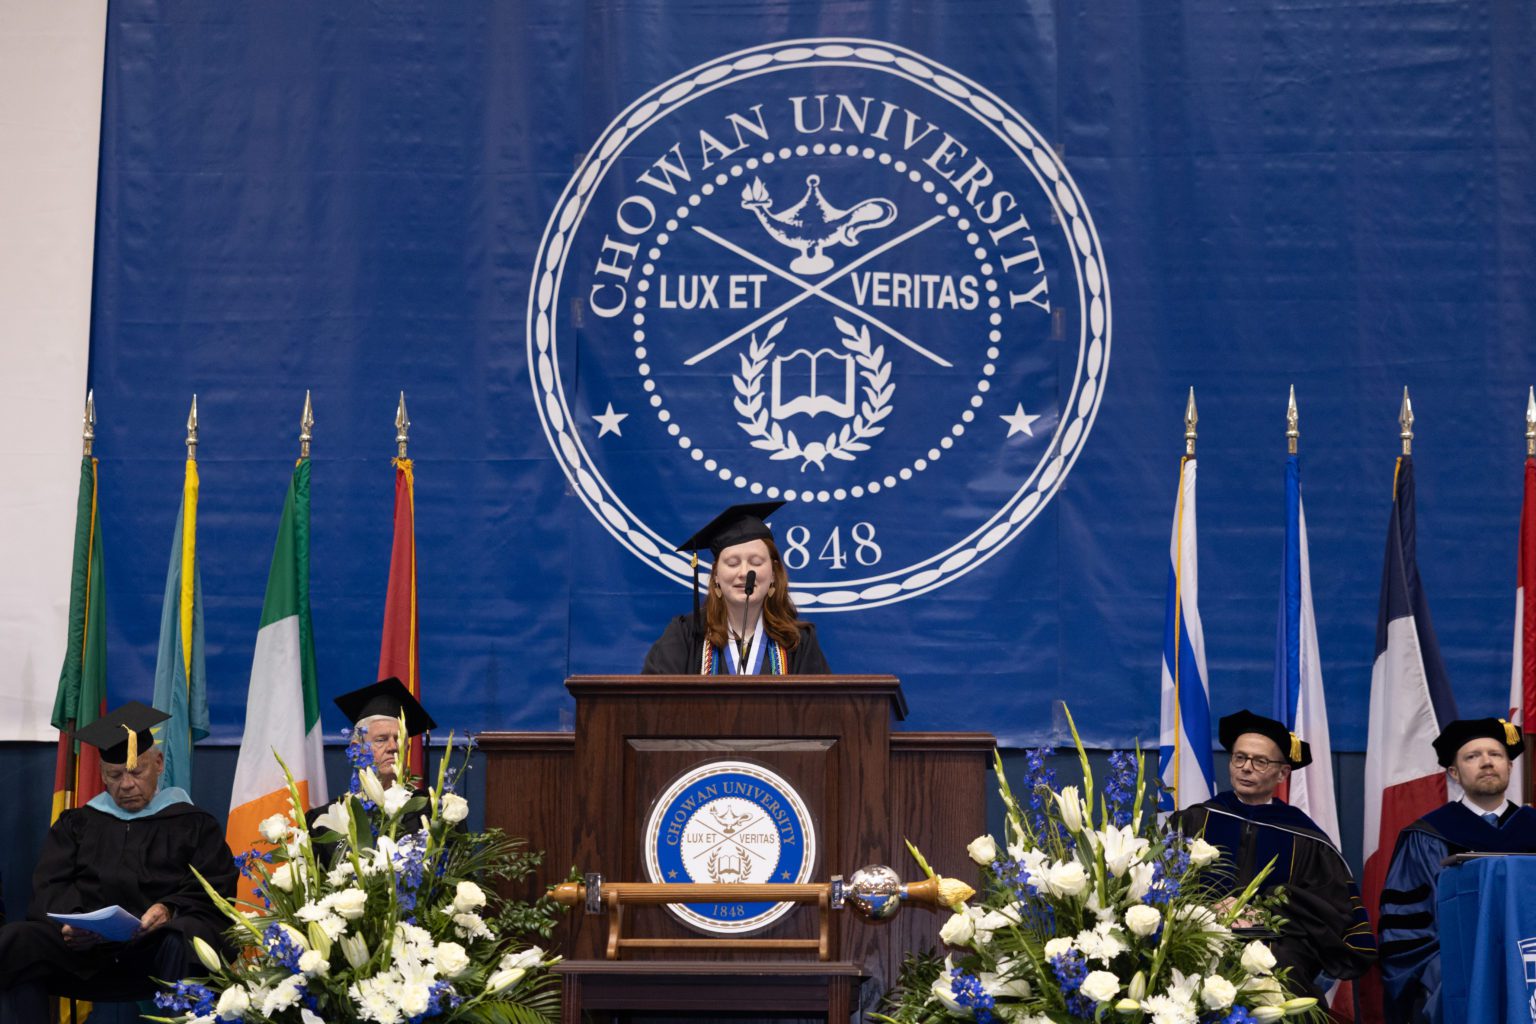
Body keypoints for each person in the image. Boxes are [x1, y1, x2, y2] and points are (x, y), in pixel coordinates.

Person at [0, 702, 237, 1017]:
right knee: (17, 940)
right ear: (102, 774)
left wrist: (170, 909)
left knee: (185, 936)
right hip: (84, 955)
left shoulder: (193, 824)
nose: (126, 784)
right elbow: (50, 886)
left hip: (155, 954)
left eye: (137, 771)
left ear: (158, 762)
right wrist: (72, 925)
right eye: (115, 774)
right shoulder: (77, 824)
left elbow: (214, 888)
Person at [1171, 710, 1375, 999]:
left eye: (1260, 761)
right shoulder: (1194, 821)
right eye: (1239, 757)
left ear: (1282, 773)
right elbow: (1161, 887)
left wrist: (1265, 912)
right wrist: (1209, 909)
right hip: (1195, 948)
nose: (1246, 768)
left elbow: (1329, 910)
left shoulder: (1305, 837)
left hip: (1276, 963)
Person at [1378, 717, 1536, 1024]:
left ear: (1510, 766)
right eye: (1472, 756)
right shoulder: (1428, 835)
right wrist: (1446, 975)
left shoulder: (1532, 829)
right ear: (1454, 772)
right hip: (1458, 975)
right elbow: (1407, 929)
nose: (1487, 763)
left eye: (1495, 754)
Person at [642, 501, 830, 675]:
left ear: (773, 573)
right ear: (716, 575)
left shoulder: (798, 642)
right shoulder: (686, 636)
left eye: (756, 562)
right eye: (732, 563)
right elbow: (653, 703)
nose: (744, 572)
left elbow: (821, 707)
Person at [306, 677, 438, 855]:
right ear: (357, 748)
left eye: (398, 740)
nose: (392, 747)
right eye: (381, 740)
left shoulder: (429, 811)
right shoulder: (327, 820)